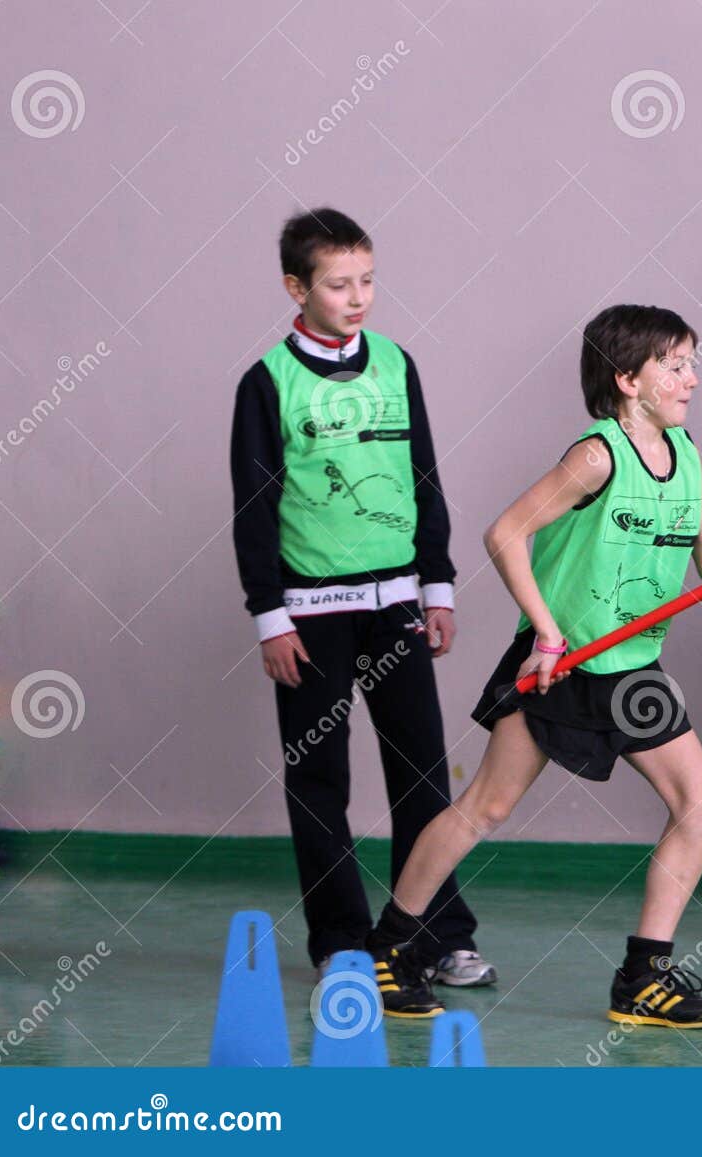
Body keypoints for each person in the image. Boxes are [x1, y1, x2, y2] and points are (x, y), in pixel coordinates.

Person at [365, 304, 702, 1026]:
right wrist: (545, 631)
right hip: (564, 662)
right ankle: (387, 951)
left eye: (692, 362)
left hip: (633, 667)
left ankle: (644, 976)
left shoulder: (689, 453)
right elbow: (504, 532)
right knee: (485, 805)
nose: (691, 379)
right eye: (673, 364)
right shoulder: (597, 455)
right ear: (627, 379)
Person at [229, 207, 492, 986]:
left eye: (367, 280)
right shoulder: (265, 382)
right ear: (296, 287)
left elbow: (425, 480)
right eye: (339, 284)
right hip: (308, 617)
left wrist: (437, 585)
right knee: (320, 779)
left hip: (397, 605)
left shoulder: (395, 363)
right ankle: (342, 941)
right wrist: (268, 615)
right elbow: (254, 504)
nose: (358, 297)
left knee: (422, 772)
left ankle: (435, 933)